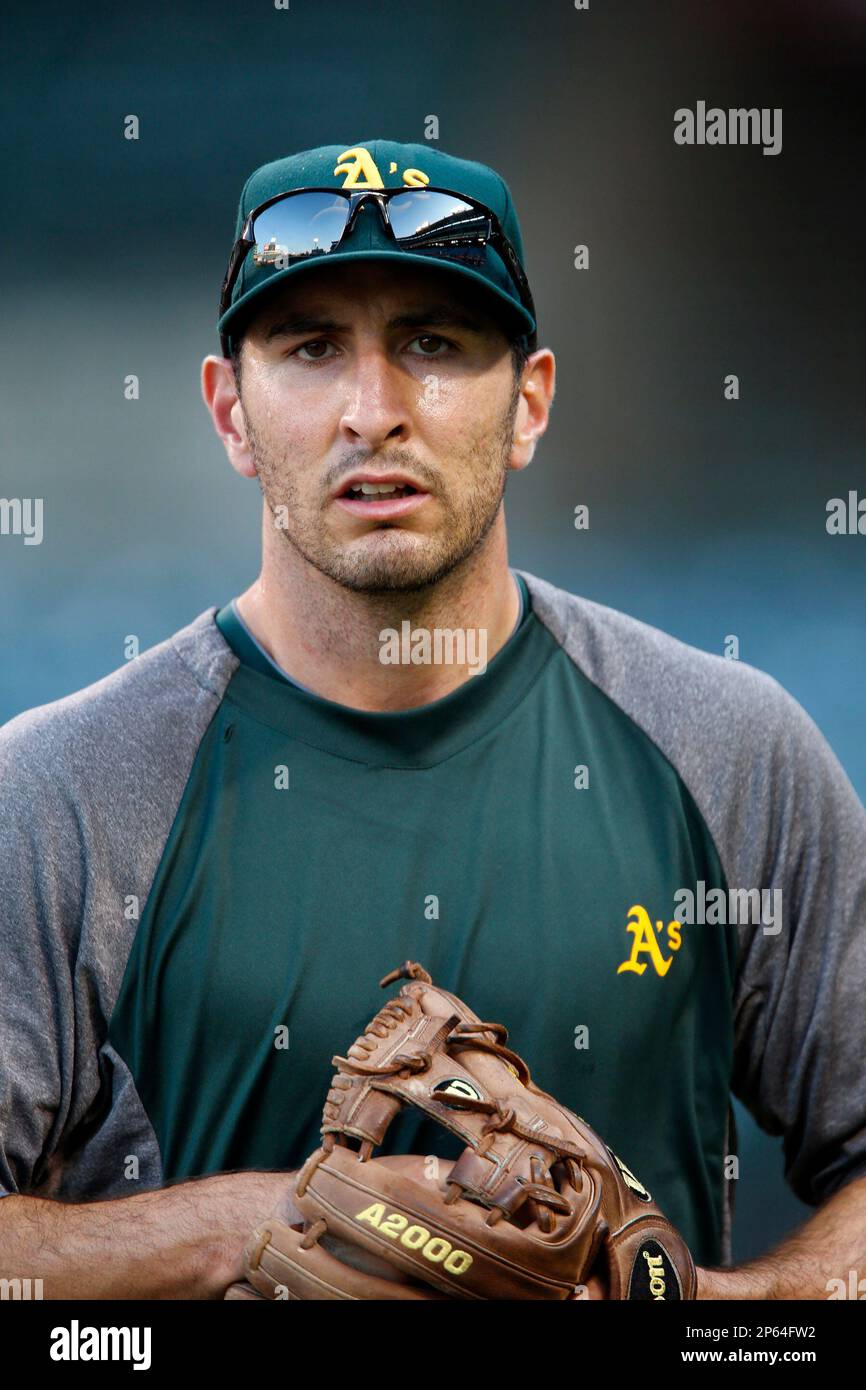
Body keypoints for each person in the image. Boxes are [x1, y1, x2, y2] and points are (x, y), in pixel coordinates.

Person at [1, 139, 864, 1301]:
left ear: (528, 404)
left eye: (433, 345)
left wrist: (728, 1317)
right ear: (231, 413)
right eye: (311, 348)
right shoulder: (56, 793)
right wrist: (237, 1228)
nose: (374, 411)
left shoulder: (728, 748)